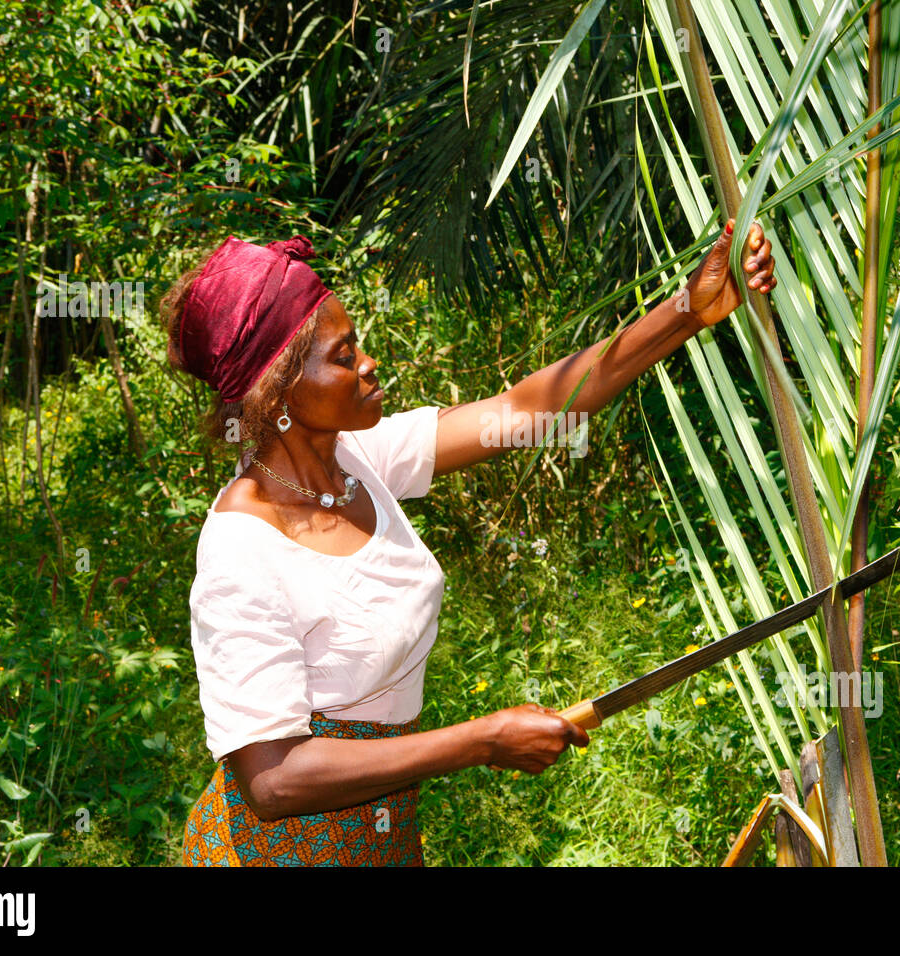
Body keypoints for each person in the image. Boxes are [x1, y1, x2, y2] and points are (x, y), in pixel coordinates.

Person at [164, 224, 776, 866]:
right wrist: (483, 740)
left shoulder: (356, 461)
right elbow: (273, 778)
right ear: (278, 393)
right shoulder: (242, 548)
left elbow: (527, 410)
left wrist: (686, 311)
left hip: (380, 834)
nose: (370, 364)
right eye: (344, 358)